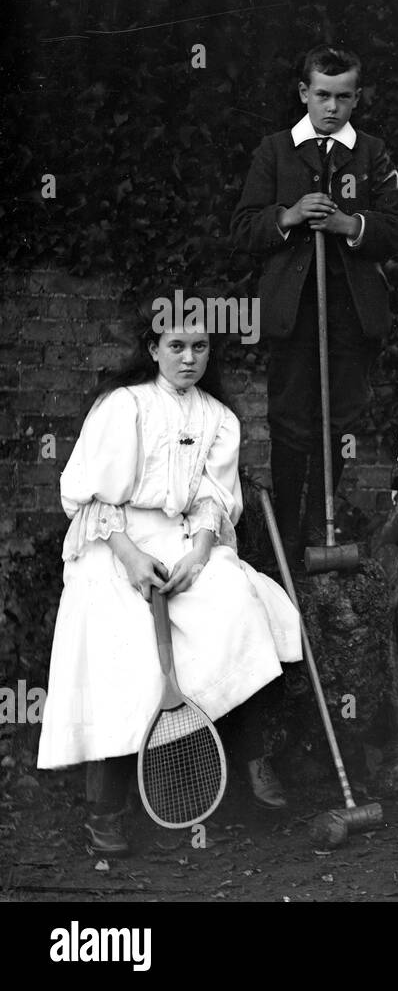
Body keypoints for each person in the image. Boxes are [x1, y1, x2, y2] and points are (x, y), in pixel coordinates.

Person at [36, 319, 304, 855]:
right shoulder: (123, 406)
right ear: (152, 348)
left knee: (239, 605)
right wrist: (131, 556)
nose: (189, 358)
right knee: (125, 651)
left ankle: (252, 762)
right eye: (176, 346)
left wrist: (201, 552)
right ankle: (106, 811)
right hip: (113, 544)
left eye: (200, 347)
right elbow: (87, 496)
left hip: (184, 545)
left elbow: (213, 499)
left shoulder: (219, 418)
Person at [231, 45, 398, 564]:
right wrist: (287, 217)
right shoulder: (275, 150)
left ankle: (321, 518)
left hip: (351, 312)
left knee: (342, 417)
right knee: (291, 418)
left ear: (357, 98)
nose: (332, 108)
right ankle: (288, 525)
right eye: (322, 96)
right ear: (304, 94)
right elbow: (243, 228)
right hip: (295, 310)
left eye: (343, 97)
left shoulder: (372, 153)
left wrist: (349, 225)